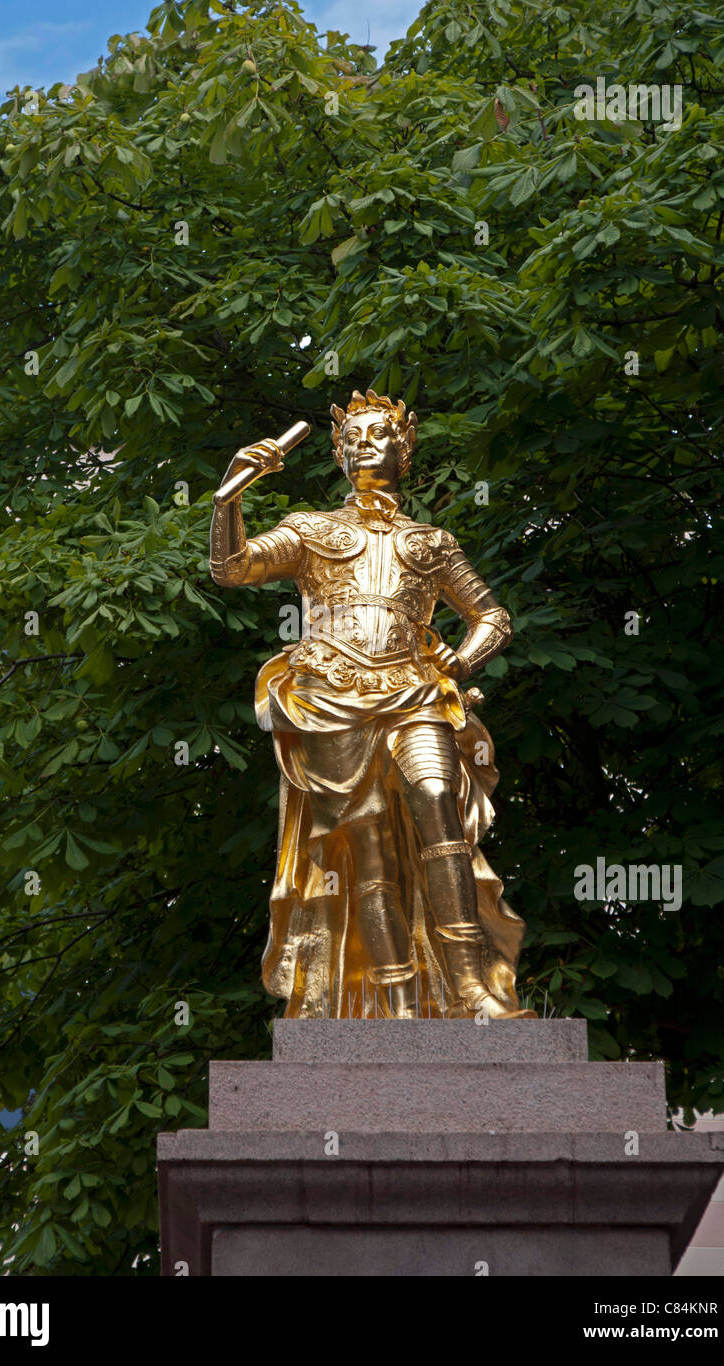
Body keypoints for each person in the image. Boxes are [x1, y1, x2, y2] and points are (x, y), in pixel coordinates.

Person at [210, 388, 536, 1020]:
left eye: (378, 434)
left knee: (438, 802)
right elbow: (233, 568)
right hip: (334, 697)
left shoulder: (432, 543)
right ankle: (397, 999)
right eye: (352, 436)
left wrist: (461, 660)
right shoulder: (311, 530)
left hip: (414, 691)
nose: (365, 444)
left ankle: (472, 986)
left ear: (404, 448)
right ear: (336, 451)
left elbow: (492, 616)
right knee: (368, 848)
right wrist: (229, 499)